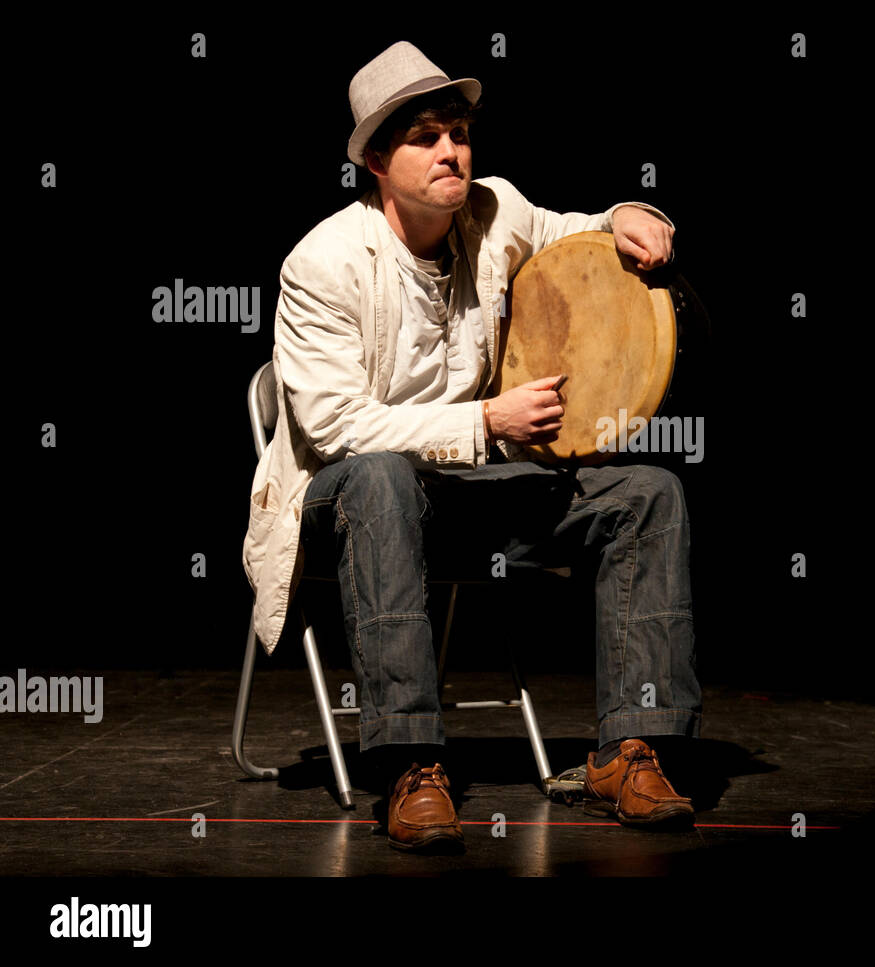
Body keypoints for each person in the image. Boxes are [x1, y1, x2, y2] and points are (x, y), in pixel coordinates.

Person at [241, 41, 701, 853]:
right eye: (425, 137)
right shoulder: (322, 264)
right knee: (380, 476)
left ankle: (632, 749)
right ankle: (412, 764)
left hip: (469, 496)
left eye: (457, 132)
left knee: (649, 491)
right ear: (378, 160)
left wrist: (626, 215)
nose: (450, 151)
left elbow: (568, 232)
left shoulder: (494, 211)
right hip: (342, 506)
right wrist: (486, 421)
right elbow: (335, 427)